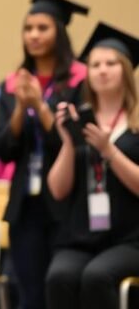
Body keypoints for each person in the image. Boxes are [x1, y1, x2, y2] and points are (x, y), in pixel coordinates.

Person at [0, 0, 88, 309]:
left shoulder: (79, 79)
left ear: (59, 32)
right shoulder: (14, 82)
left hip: (66, 202)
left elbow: (74, 144)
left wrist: (40, 106)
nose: (33, 35)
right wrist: (21, 108)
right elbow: (4, 149)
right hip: (26, 202)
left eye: (42, 28)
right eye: (28, 28)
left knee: (61, 290)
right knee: (29, 294)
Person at [45, 22, 139, 309]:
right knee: (59, 277)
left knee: (97, 277)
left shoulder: (135, 123)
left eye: (111, 63)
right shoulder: (80, 121)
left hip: (131, 238)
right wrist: (67, 142)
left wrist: (108, 151)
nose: (102, 70)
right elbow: (58, 190)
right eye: (95, 64)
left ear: (126, 69)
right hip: (83, 235)